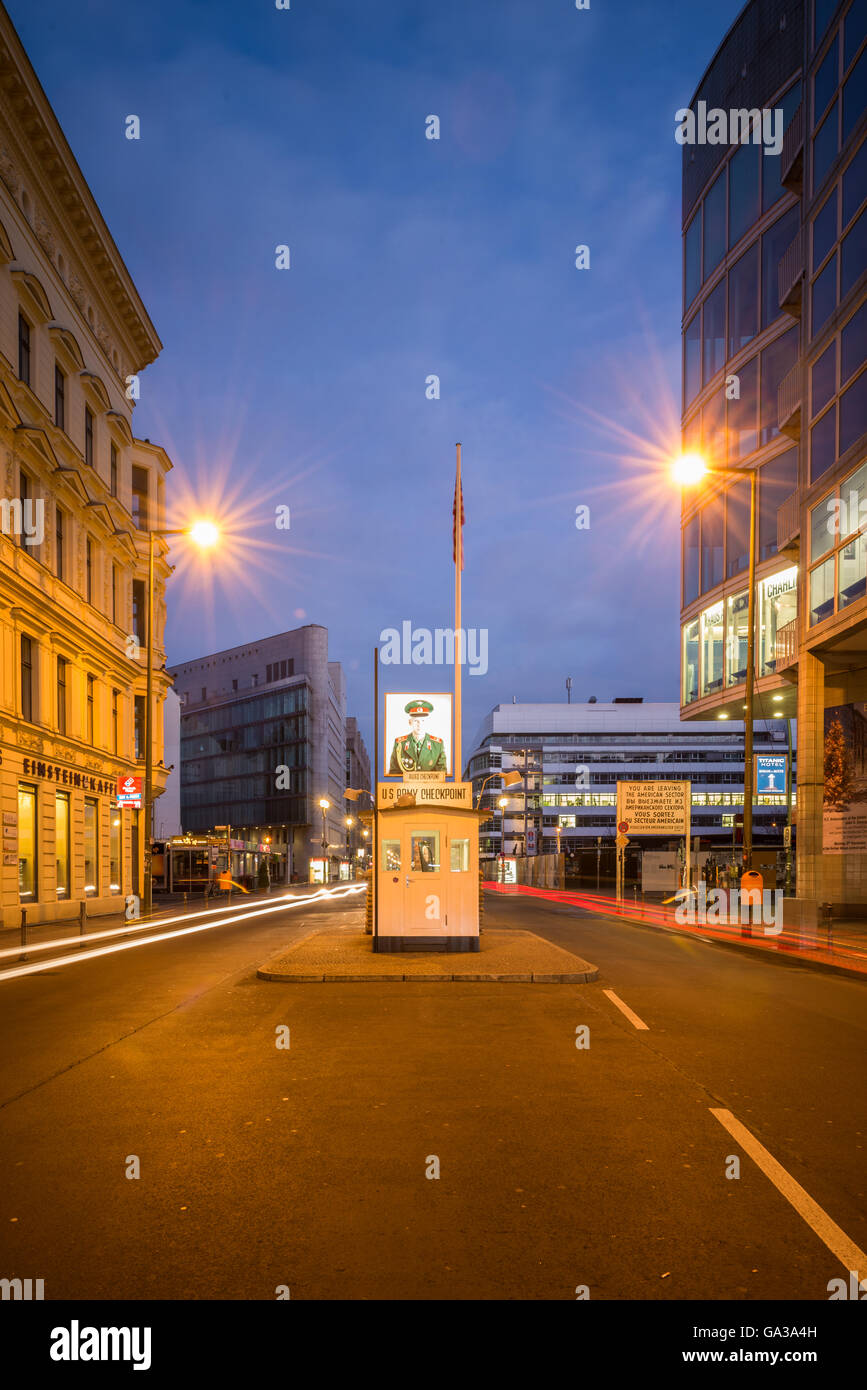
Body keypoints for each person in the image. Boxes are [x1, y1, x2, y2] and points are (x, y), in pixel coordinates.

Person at [389, 698, 447, 773]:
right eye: (416, 721)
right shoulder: (399, 743)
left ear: (428, 722)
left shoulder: (437, 745)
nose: (419, 725)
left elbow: (442, 775)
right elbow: (393, 773)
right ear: (410, 722)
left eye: (423, 721)